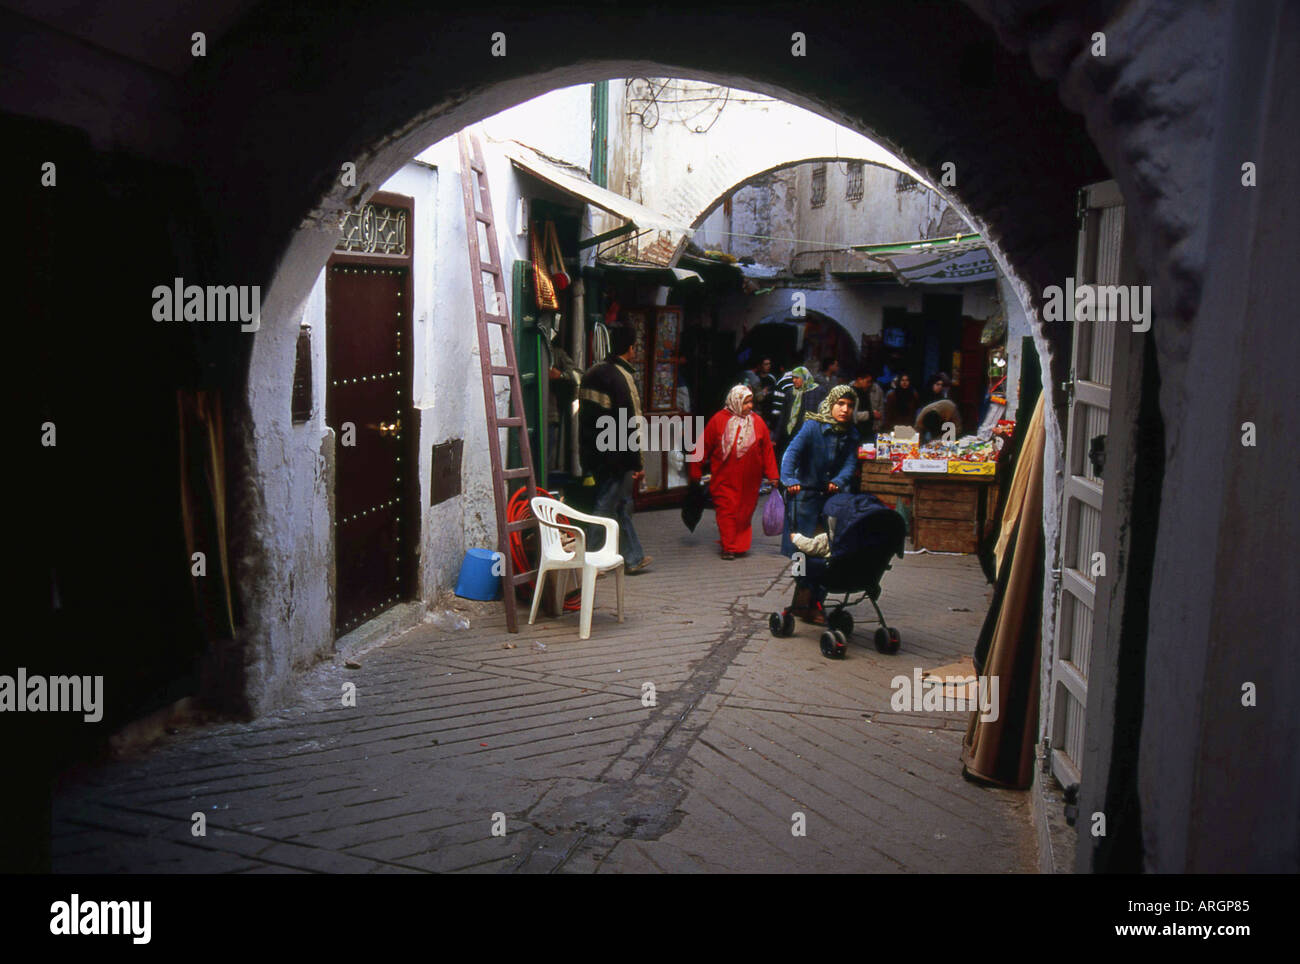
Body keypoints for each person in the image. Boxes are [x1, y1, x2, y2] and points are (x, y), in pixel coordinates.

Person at [779, 385, 860, 623]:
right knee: (800, 554)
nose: (845, 410)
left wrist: (839, 480)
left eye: (850, 405)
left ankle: (815, 603)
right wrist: (790, 480)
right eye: (841, 404)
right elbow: (791, 454)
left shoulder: (851, 433)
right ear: (831, 404)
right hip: (804, 500)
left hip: (831, 502)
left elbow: (849, 463)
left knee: (827, 553)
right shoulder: (812, 426)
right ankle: (804, 597)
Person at [579, 326, 652, 573]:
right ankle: (589, 562)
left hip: (594, 452)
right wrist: (638, 463)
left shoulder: (592, 373)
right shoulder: (622, 379)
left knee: (619, 504)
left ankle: (633, 557)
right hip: (616, 455)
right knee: (605, 507)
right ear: (630, 348)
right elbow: (631, 423)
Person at [689, 385, 780, 559]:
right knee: (726, 510)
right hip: (724, 478)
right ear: (735, 401)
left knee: (744, 512)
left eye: (751, 402)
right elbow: (701, 447)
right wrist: (695, 472)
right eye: (746, 402)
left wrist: (773, 475)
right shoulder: (718, 420)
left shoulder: (757, 422)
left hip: (750, 482)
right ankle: (729, 547)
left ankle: (739, 544)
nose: (750, 406)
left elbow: (767, 449)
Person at [774, 365, 817, 454]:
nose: (794, 380)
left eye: (797, 378)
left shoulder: (816, 392)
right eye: (793, 378)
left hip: (807, 435)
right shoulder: (790, 393)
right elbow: (783, 416)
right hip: (789, 435)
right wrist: (776, 437)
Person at [851, 368, 884, 439]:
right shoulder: (851, 393)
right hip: (856, 432)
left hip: (867, 431)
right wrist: (871, 414)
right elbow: (852, 415)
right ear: (859, 379)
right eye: (867, 381)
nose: (869, 384)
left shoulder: (864, 391)